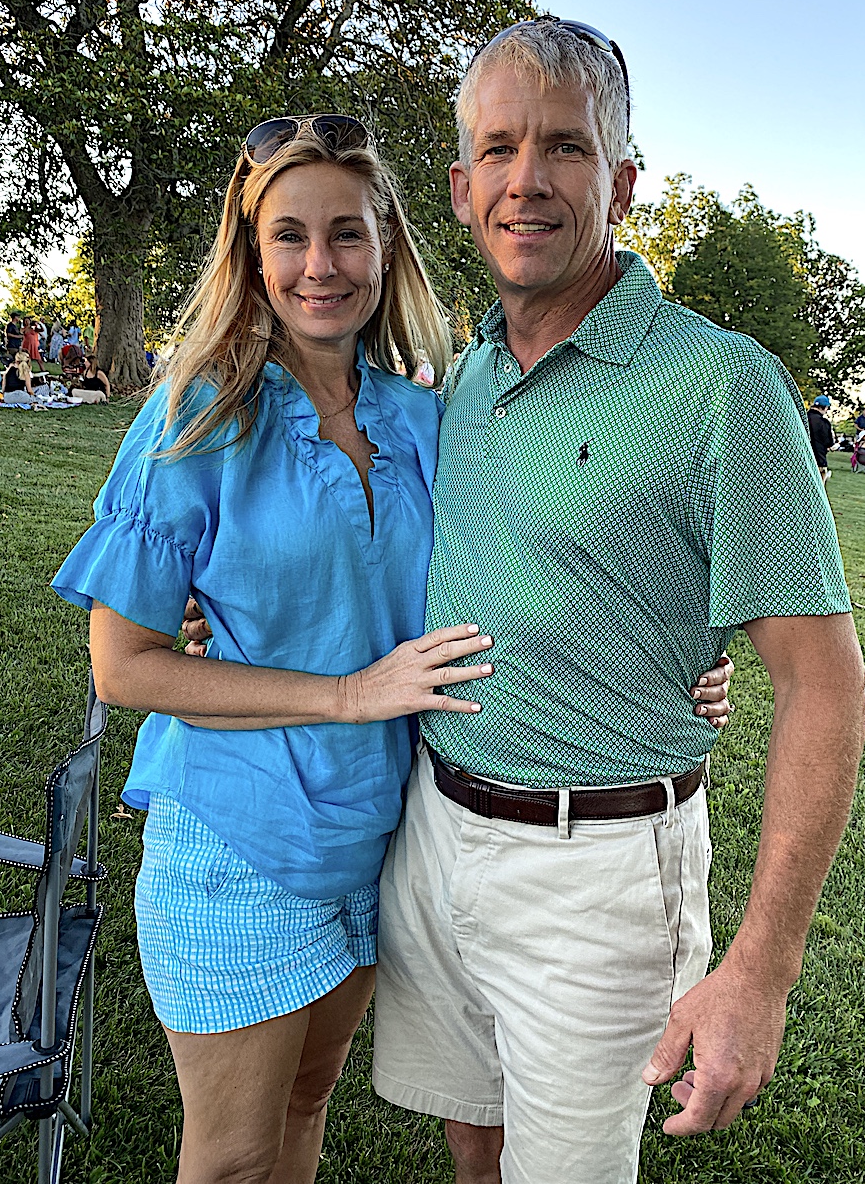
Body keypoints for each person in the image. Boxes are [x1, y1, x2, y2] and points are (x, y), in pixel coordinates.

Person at [53, 114, 732, 1184]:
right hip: (239, 841)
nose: (319, 266)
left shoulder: (429, 416)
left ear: (388, 247)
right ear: (251, 253)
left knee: (309, 1105)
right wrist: (345, 692)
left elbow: (535, 557)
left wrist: (670, 661)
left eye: (347, 235)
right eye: (289, 237)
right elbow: (125, 664)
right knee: (229, 1158)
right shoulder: (195, 415)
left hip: (381, 842)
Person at [363, 17, 865, 1184]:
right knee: (471, 1138)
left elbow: (823, 680)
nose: (525, 180)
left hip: (596, 873)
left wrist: (760, 968)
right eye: (497, 149)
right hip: (432, 833)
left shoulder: (722, 382)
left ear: (624, 183)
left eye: (564, 148)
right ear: (459, 184)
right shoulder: (466, 372)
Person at [806, 394, 836, 482]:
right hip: (819, 460)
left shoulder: (802, 419)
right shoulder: (824, 423)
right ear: (824, 407)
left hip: (802, 459)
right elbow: (829, 443)